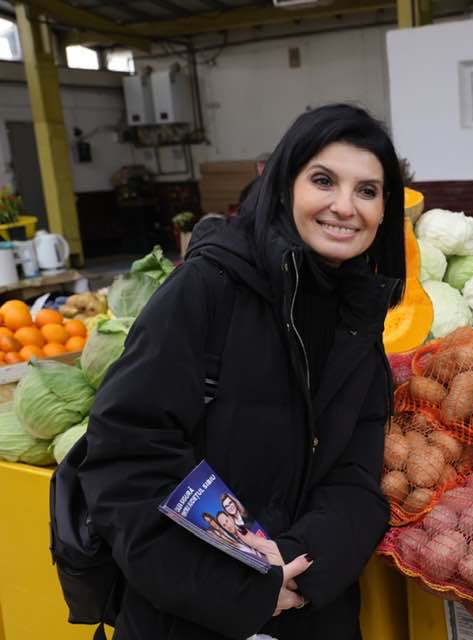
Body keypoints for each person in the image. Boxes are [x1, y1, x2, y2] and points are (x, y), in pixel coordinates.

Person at [80, 103, 405, 639]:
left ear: (385, 209)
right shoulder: (206, 291)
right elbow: (126, 463)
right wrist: (244, 586)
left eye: (367, 190)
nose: (345, 207)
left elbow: (356, 475)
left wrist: (298, 565)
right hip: (190, 615)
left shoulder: (357, 318)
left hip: (309, 611)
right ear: (284, 185)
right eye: (323, 180)